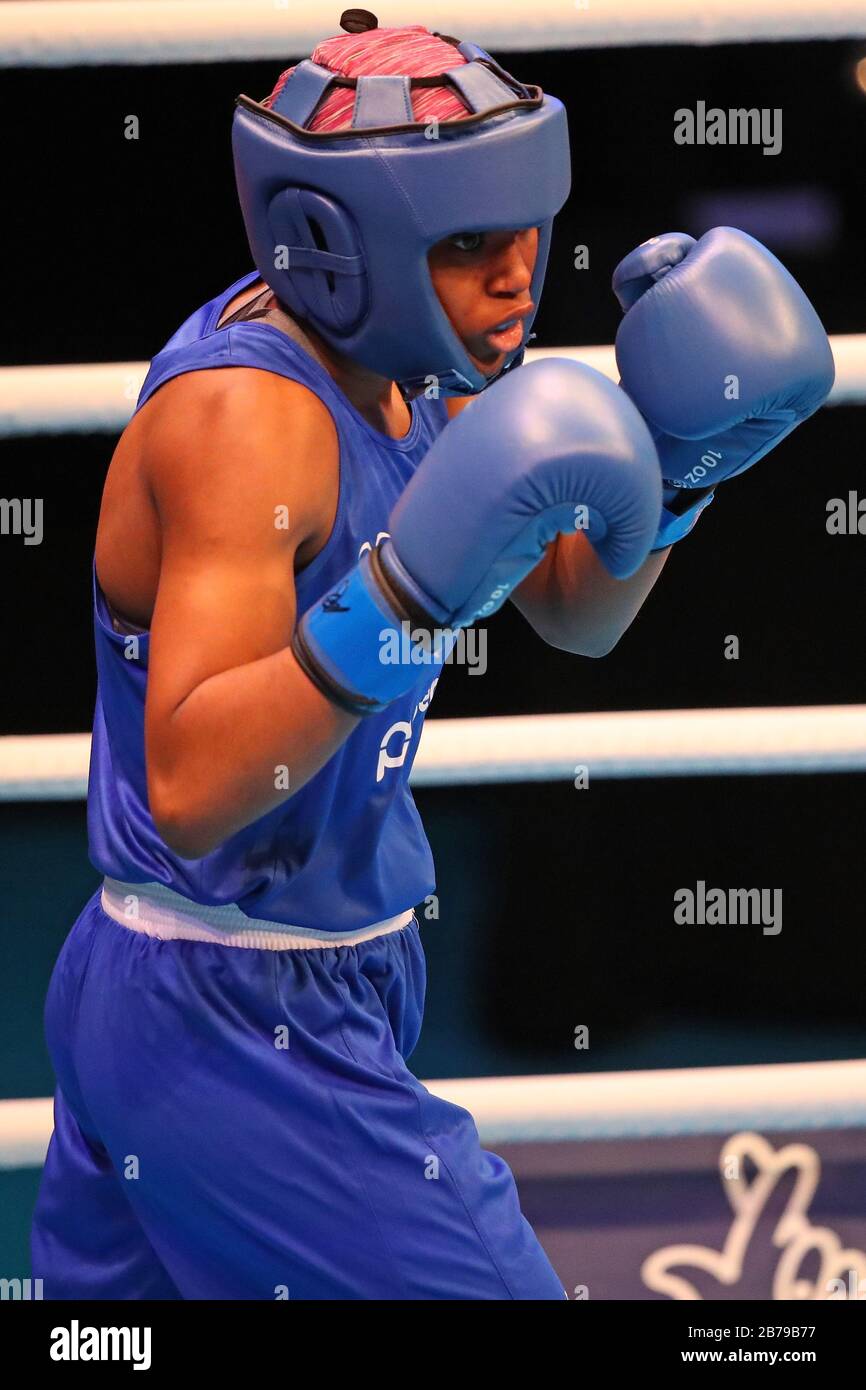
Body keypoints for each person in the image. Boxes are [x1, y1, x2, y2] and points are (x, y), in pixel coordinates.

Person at [30, 12, 833, 1300]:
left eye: (527, 232)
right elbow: (189, 788)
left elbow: (575, 612)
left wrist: (681, 469)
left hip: (303, 971)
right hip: (230, 1001)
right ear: (339, 245)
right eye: (470, 245)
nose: (518, 278)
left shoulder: (425, 365)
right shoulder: (246, 423)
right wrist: (401, 596)